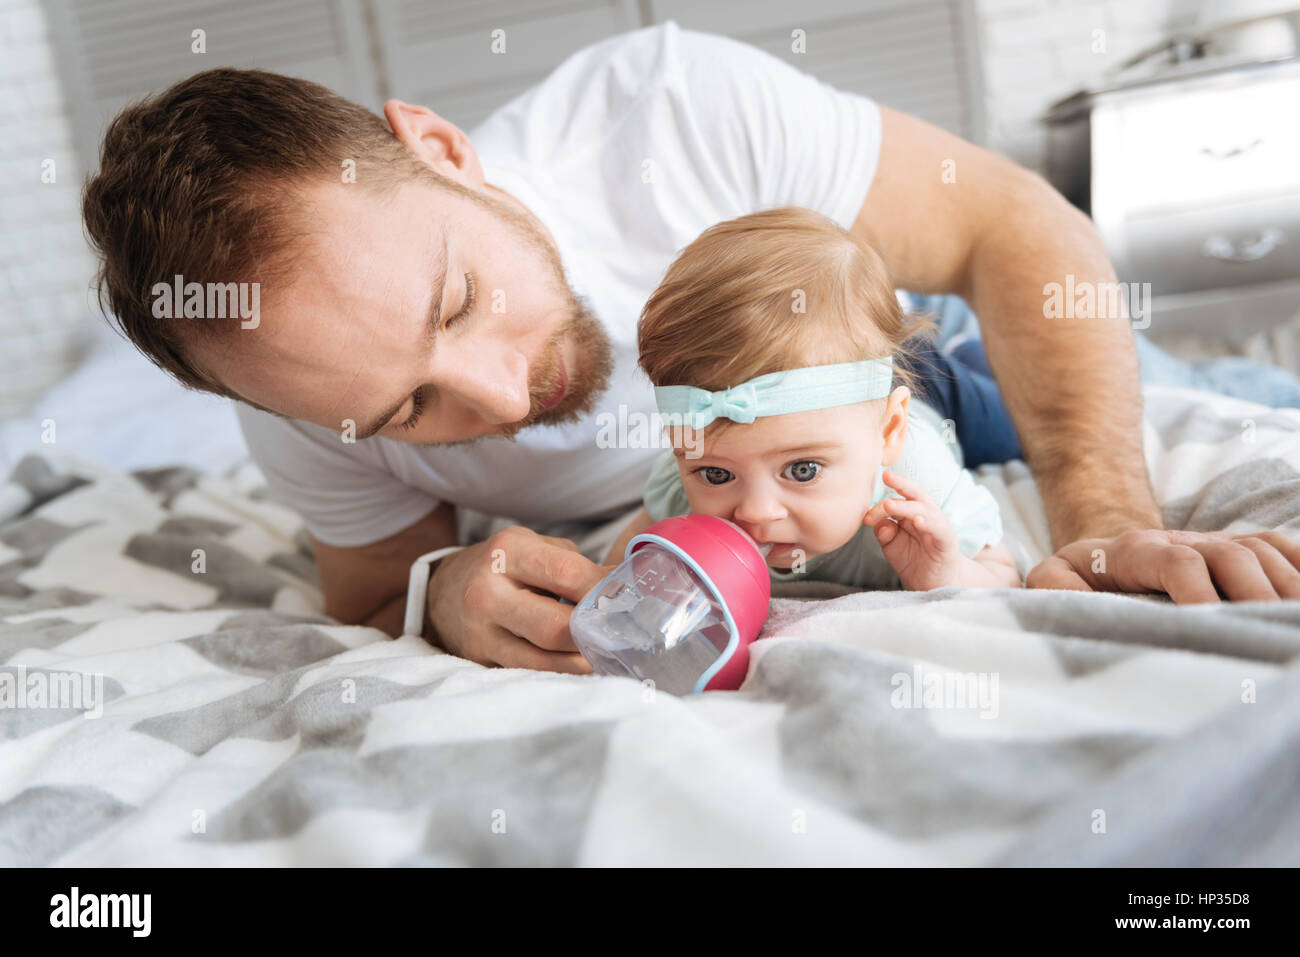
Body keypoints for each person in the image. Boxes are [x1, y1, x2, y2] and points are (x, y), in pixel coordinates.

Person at [80, 22, 1300, 678]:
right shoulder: (295, 397)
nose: (512, 395)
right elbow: (365, 594)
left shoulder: (665, 112)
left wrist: (1096, 513)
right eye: (410, 411)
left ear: (443, 147)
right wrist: (440, 597)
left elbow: (1010, 224)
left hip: (921, 361)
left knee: (1230, 399)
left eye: (457, 303)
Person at [605, 206, 1020, 592]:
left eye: (802, 470)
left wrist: (948, 574)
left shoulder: (917, 484)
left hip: (937, 392)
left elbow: (1006, 578)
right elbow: (610, 580)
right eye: (716, 475)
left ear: (889, 431)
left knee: (1011, 422)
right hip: (867, 390)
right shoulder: (678, 491)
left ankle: (963, 344)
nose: (757, 512)